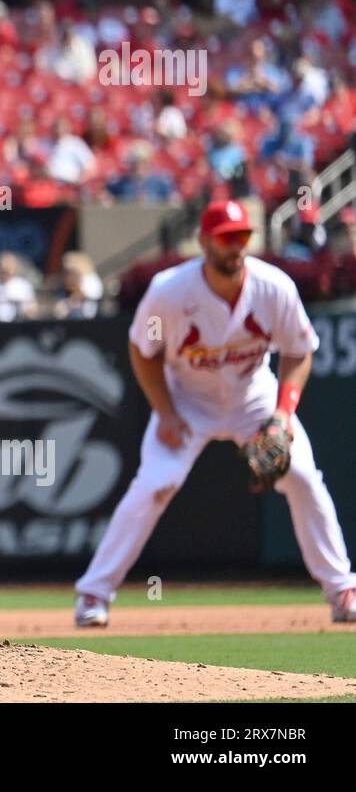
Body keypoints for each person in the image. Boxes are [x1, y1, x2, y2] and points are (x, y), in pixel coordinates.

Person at [74, 199, 356, 627]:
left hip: (254, 398)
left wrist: (282, 414)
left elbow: (300, 351)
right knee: (156, 483)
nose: (236, 246)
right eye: (226, 238)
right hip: (187, 400)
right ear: (204, 241)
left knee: (300, 477)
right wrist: (164, 412)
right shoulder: (169, 292)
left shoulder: (273, 286)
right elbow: (142, 350)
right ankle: (94, 593)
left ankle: (341, 590)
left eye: (242, 237)